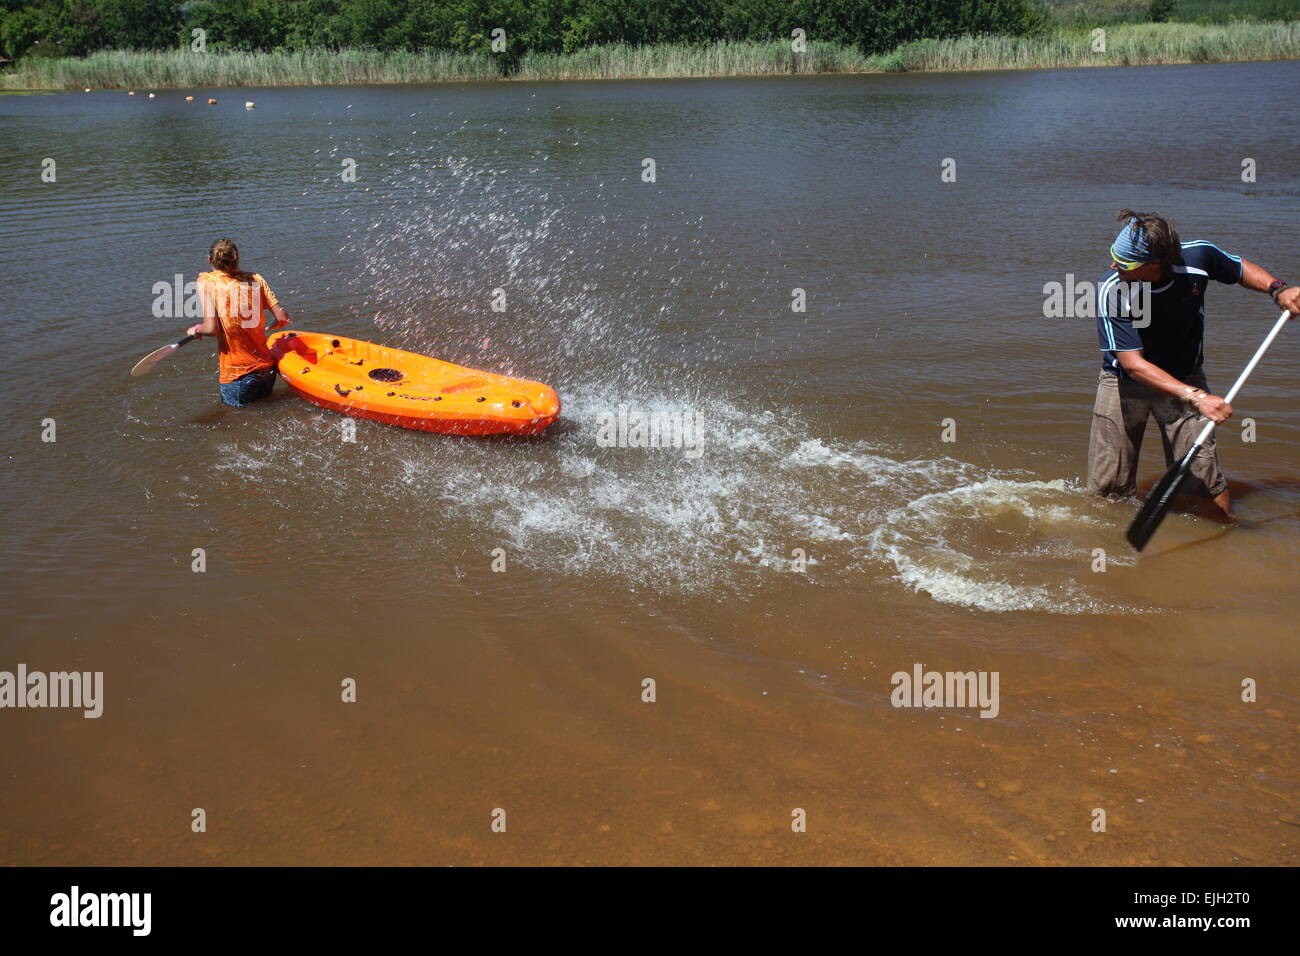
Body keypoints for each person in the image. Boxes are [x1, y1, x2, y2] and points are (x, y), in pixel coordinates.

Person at [1089, 210, 1298, 519]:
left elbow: (1238, 269)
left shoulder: (1198, 257)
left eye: (1125, 263)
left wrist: (1278, 289)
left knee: (1204, 480)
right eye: (1114, 257)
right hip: (1124, 382)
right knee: (1109, 489)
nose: (1113, 266)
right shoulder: (1114, 289)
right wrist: (1199, 398)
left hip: (1184, 374)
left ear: (1155, 263)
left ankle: (1220, 540)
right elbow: (1133, 365)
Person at [187, 238, 292, 406]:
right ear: (237, 259)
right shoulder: (255, 279)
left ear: (209, 260)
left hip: (238, 373)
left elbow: (212, 329)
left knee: (238, 420)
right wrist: (274, 325)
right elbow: (283, 317)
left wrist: (196, 330)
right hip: (267, 368)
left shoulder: (206, 281)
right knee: (265, 410)